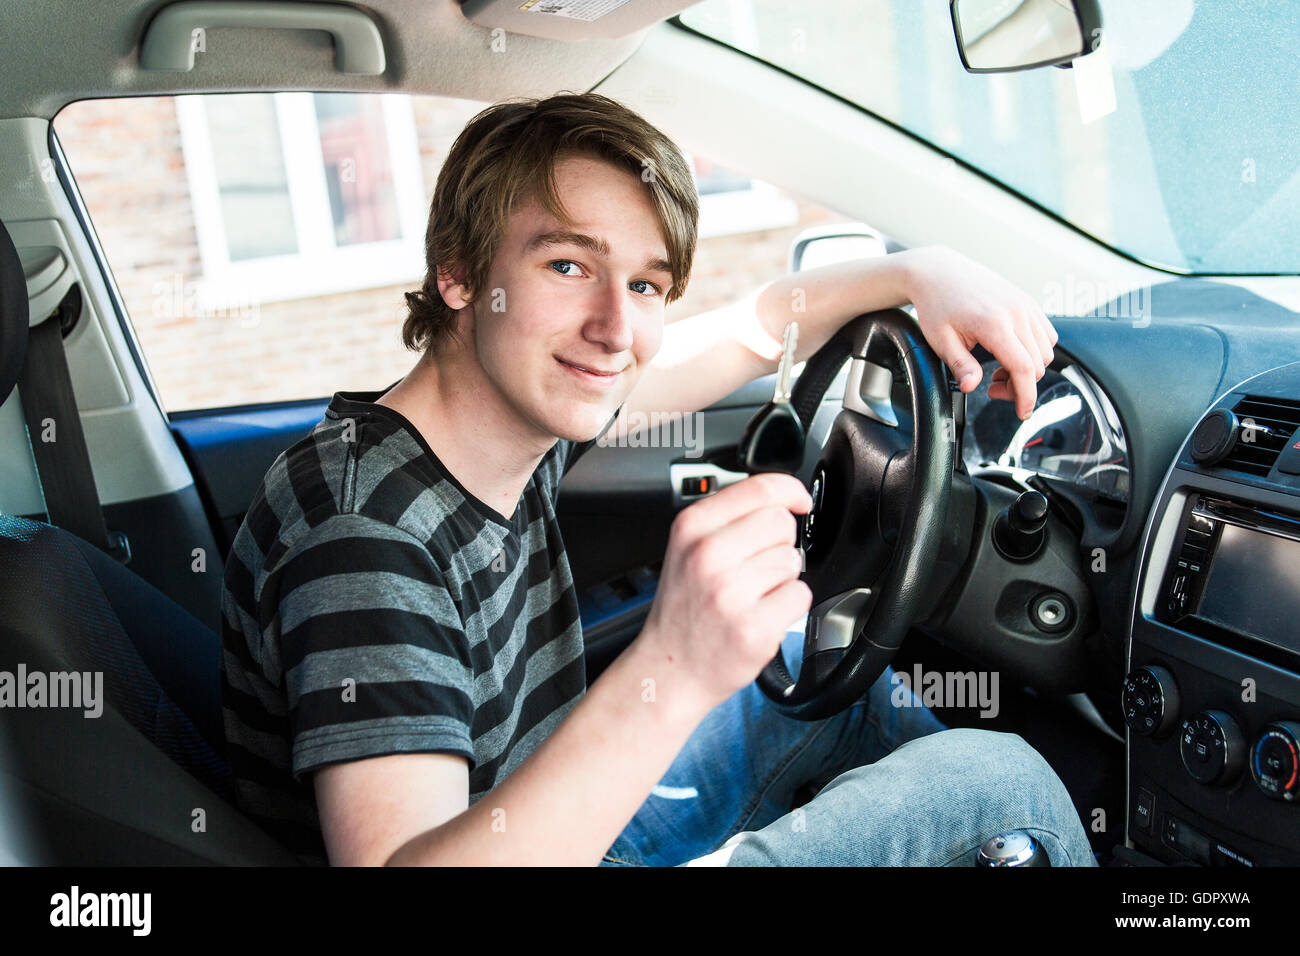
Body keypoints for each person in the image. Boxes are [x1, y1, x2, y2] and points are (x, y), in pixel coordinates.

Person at [219, 92, 1095, 867]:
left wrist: (917, 271)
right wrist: (676, 666)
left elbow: (749, 330)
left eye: (645, 284)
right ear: (457, 272)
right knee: (999, 791)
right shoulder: (363, 534)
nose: (615, 328)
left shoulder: (500, 417)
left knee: (808, 672)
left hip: (534, 813)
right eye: (567, 266)